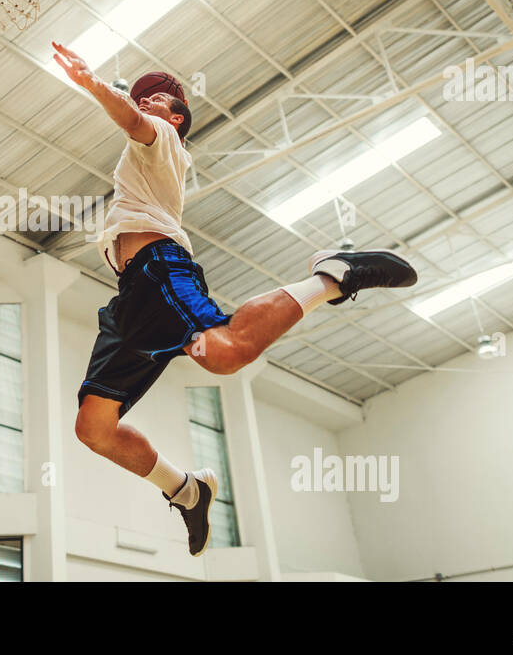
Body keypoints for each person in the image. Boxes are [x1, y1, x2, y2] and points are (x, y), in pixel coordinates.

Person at [52, 41, 418, 556]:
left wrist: (94, 85)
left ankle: (337, 275)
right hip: (131, 305)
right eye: (142, 98)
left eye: (155, 99)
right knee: (93, 428)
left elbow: (133, 121)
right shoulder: (144, 156)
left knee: (224, 352)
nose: (145, 104)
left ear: (176, 118)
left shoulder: (161, 140)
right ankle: (186, 490)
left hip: (159, 271)